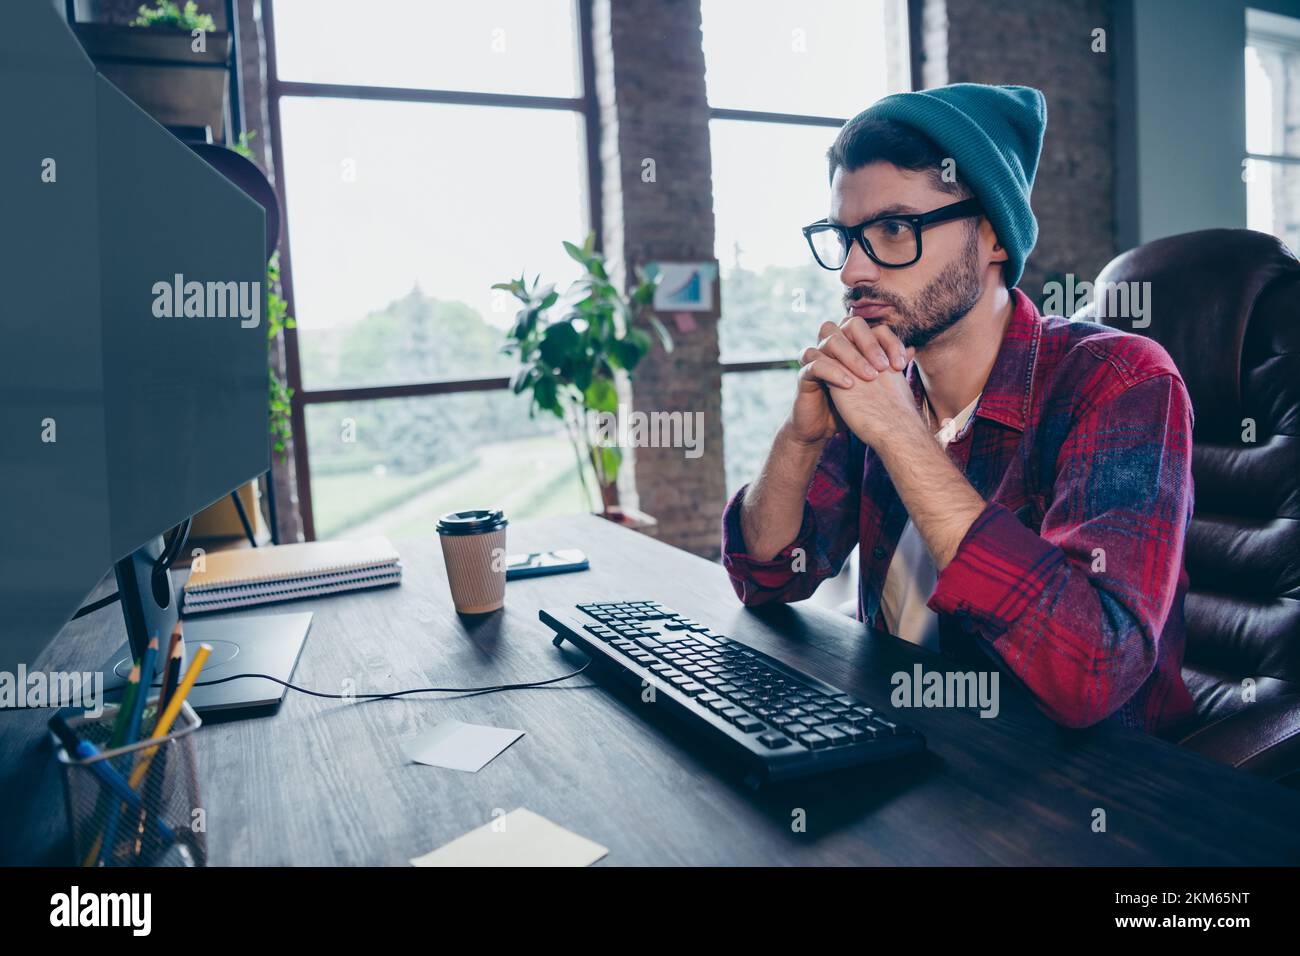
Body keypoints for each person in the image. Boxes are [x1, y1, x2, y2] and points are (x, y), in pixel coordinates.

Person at [721, 84, 1195, 736]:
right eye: (845, 236)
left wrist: (900, 436)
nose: (853, 270)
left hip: (1088, 799)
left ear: (994, 236)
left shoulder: (1120, 384)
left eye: (893, 229)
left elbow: (1091, 672)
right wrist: (799, 441)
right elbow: (768, 577)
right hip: (900, 751)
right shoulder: (885, 380)